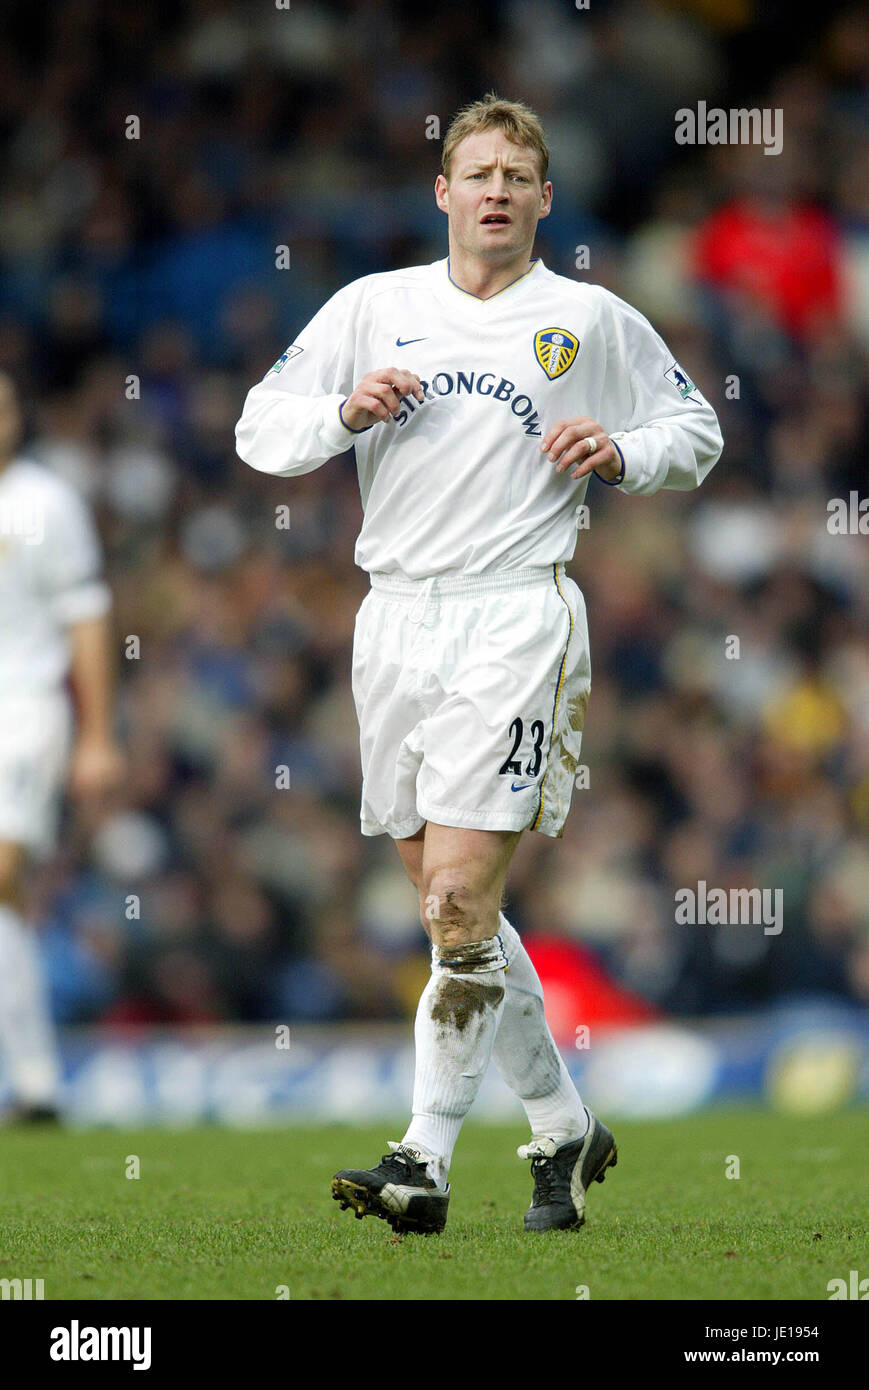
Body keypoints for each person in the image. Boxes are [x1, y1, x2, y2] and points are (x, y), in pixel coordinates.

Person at [235, 94, 723, 1233]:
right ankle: (560, 1126)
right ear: (441, 193)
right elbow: (262, 424)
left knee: (457, 896)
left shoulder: (588, 320)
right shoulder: (373, 308)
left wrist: (622, 448)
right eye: (477, 172)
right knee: (456, 916)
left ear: (545, 200)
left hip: (514, 617)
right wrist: (339, 413)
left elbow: (693, 429)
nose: (495, 190)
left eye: (517, 175)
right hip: (394, 618)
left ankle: (424, 1159)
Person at [0, 372, 123, 1121]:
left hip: (23, 708)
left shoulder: (43, 503)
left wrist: (99, 737)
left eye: (7, 406)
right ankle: (38, 1082)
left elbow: (87, 616)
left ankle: (37, 1079)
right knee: (6, 902)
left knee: (1, 870)